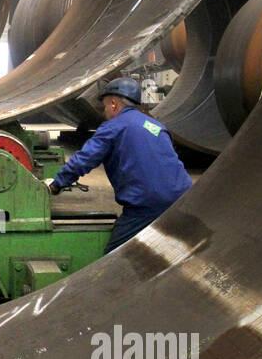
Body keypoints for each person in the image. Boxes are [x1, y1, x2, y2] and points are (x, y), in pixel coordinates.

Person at [47, 77, 191, 253]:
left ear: (114, 104)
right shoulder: (156, 126)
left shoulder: (114, 127)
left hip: (147, 204)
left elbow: (85, 159)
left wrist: (56, 184)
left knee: (114, 260)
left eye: (105, 106)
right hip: (184, 198)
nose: (104, 112)